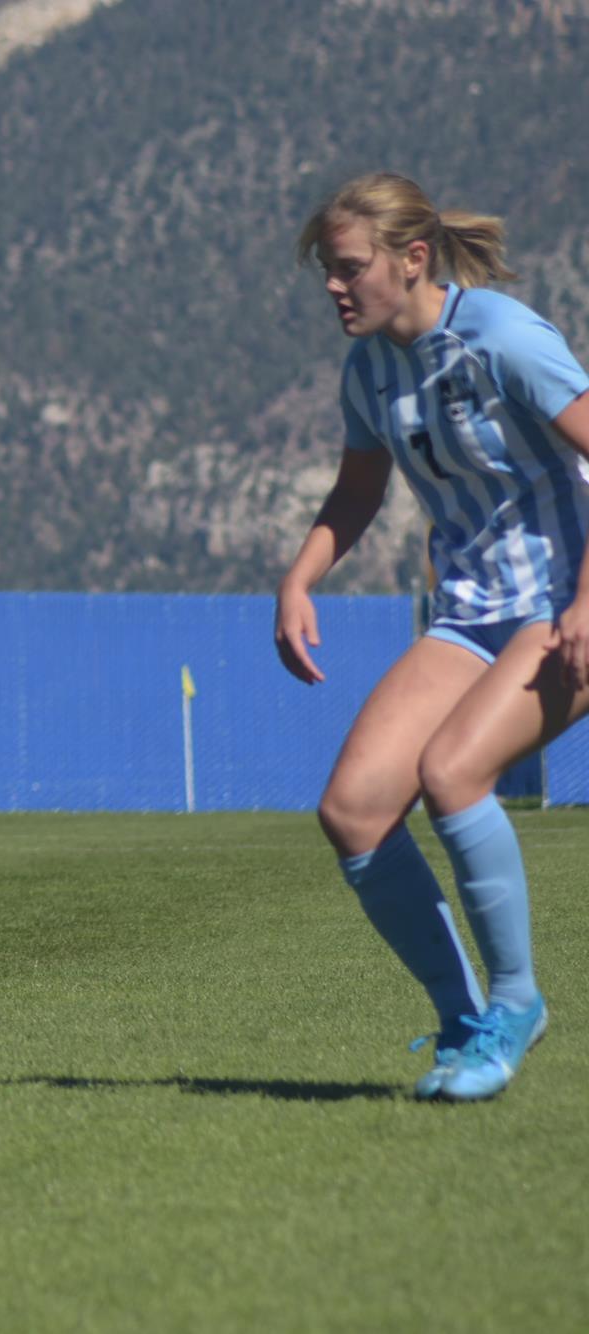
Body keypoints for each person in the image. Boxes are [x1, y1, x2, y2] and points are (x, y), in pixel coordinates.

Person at [276, 172, 589, 1102]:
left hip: (564, 607)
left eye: (350, 267)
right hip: (473, 617)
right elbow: (358, 491)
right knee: (354, 810)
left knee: (454, 774)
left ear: (413, 259)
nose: (336, 287)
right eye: (327, 272)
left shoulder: (502, 337)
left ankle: (517, 1004)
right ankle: (463, 1026)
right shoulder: (369, 370)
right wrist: (298, 579)